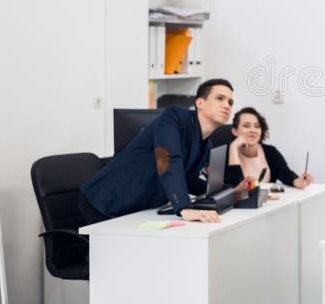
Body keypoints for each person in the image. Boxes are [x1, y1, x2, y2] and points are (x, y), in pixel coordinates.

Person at [80, 79, 235, 224]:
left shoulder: (206, 145)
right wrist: (184, 208)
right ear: (199, 103)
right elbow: (167, 159)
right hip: (106, 201)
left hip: (138, 209)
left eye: (230, 102)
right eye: (219, 98)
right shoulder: (173, 118)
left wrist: (228, 191)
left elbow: (189, 181)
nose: (227, 105)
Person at [224, 107, 314, 190]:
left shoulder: (270, 152)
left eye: (257, 126)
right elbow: (235, 187)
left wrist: (298, 182)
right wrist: (233, 148)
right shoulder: (226, 153)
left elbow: (285, 173)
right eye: (246, 126)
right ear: (235, 131)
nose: (253, 130)